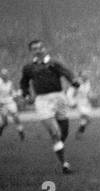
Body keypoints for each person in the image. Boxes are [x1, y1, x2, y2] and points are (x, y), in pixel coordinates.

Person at [19, 40, 78, 173]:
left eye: (40, 47)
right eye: (35, 49)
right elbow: (24, 83)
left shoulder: (54, 63)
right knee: (55, 132)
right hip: (42, 100)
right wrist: (26, 95)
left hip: (59, 97)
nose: (38, 50)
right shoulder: (29, 67)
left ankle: (58, 145)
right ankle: (64, 164)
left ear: (44, 48)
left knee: (63, 132)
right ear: (31, 51)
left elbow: (67, 72)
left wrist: (74, 81)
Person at [0, 68, 25, 141]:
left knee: (16, 117)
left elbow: (13, 93)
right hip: (2, 104)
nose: (4, 76)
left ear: (7, 75)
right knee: (5, 122)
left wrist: (18, 93)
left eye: (5, 74)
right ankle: (1, 128)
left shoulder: (10, 83)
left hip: (10, 102)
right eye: (2, 74)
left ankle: (21, 132)